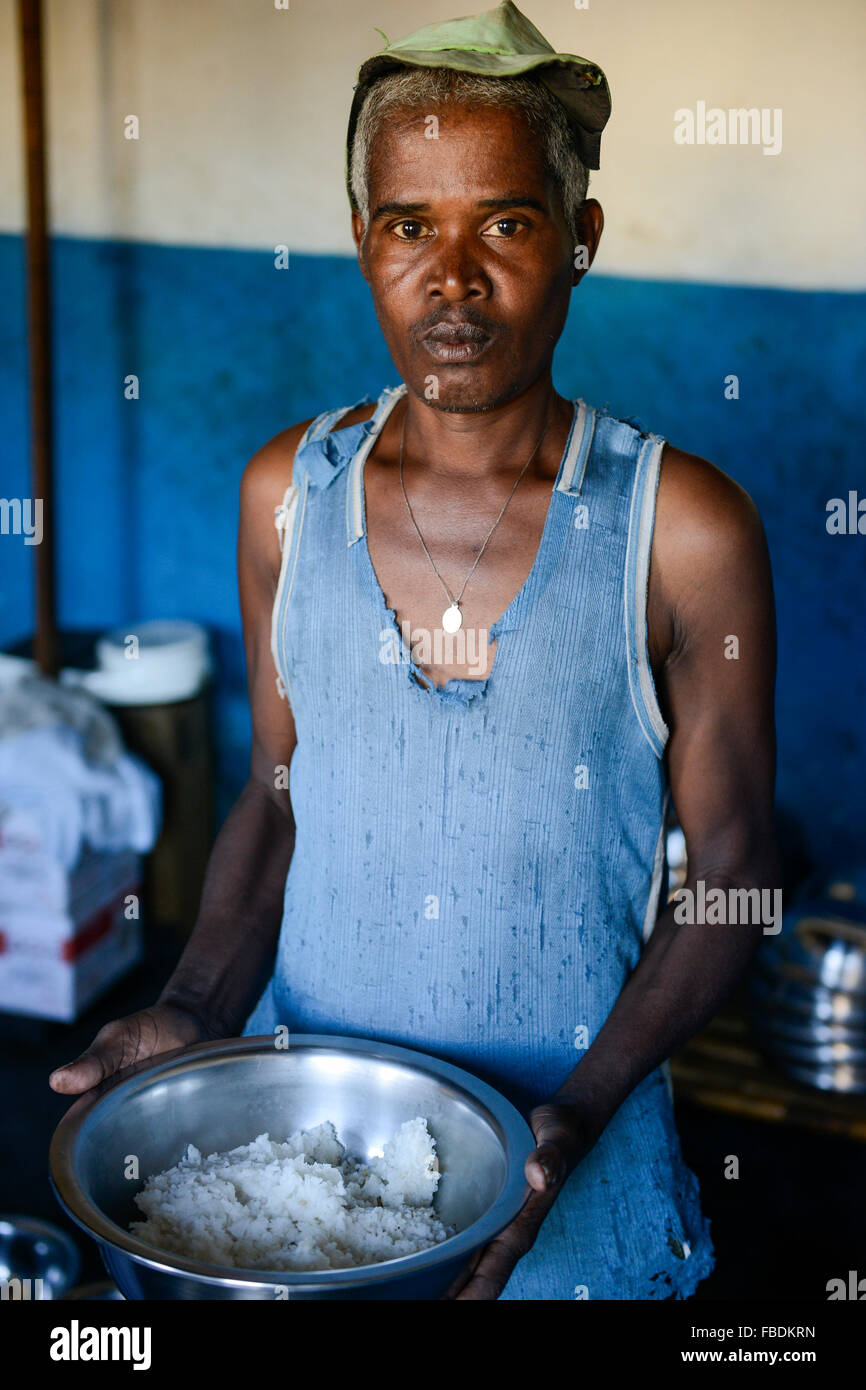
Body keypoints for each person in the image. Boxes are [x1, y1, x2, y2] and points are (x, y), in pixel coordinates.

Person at [50, 2, 779, 1300]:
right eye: (407, 226)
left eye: (503, 221)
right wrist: (197, 1003)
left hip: (585, 1220)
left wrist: (578, 1109)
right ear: (360, 245)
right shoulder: (286, 492)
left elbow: (729, 871)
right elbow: (277, 803)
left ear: (578, 241)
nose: (451, 278)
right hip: (321, 1188)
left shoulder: (682, 529)